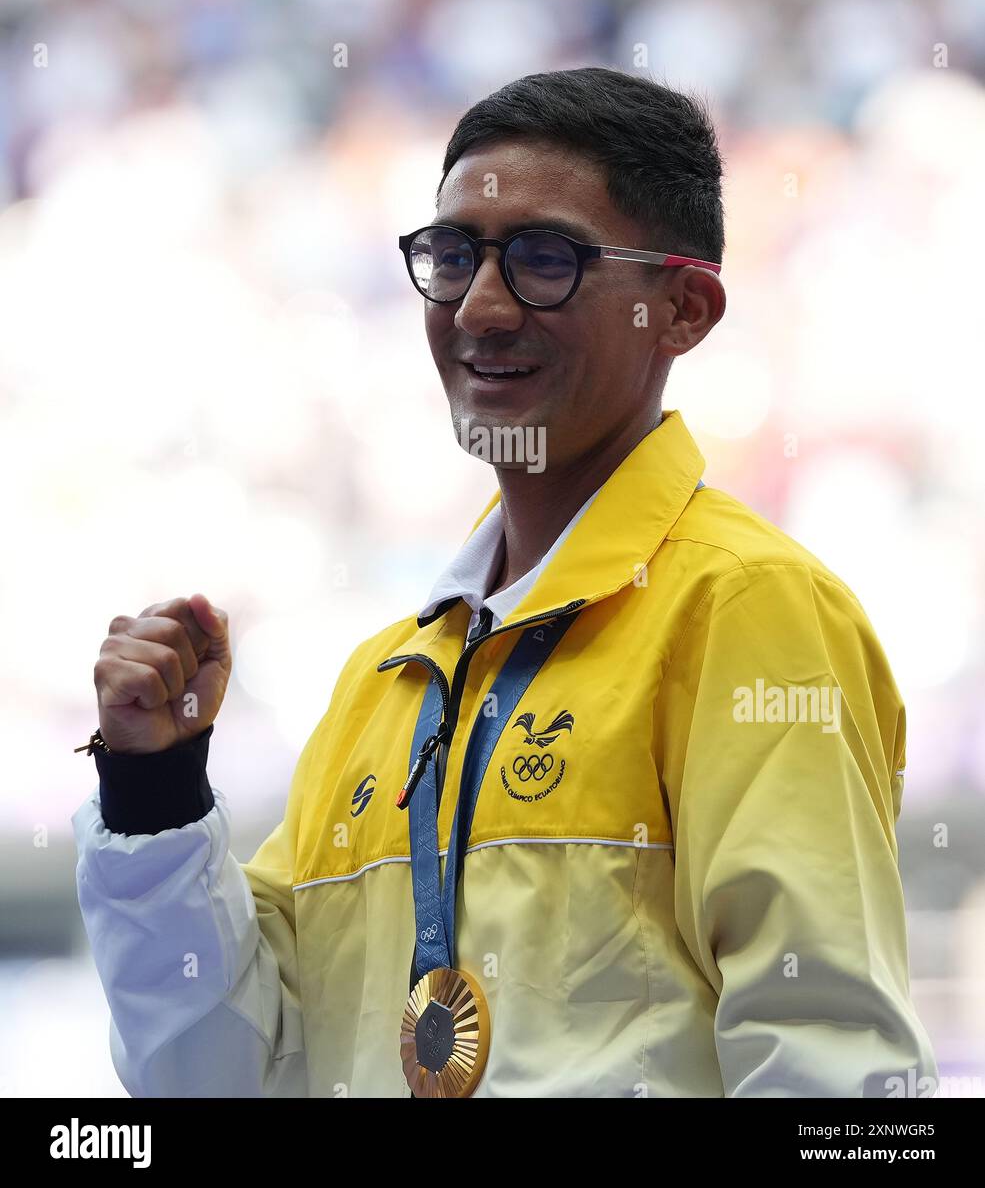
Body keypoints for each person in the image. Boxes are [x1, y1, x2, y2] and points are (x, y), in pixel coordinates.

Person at [73, 66, 937, 1098]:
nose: (480, 306)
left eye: (543, 259)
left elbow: (831, 1068)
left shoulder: (746, 608)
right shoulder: (384, 682)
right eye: (451, 256)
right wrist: (154, 790)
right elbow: (221, 1077)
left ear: (683, 308)